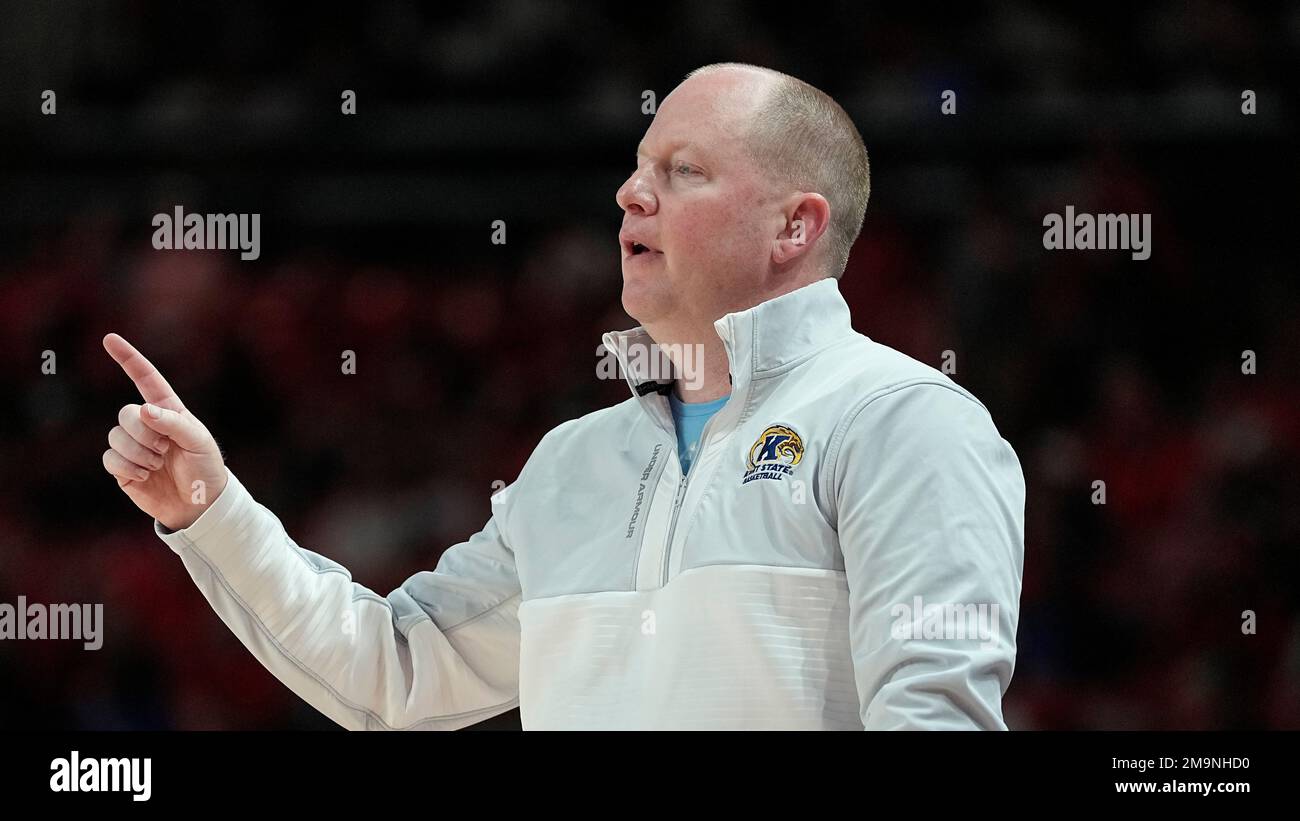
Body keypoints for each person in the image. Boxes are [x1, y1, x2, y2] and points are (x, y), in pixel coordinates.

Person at [101, 63, 1025, 730]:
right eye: (637, 166)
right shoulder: (574, 462)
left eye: (682, 171)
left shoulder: (906, 423)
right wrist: (211, 513)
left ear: (795, 225)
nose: (631, 193)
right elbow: (390, 673)